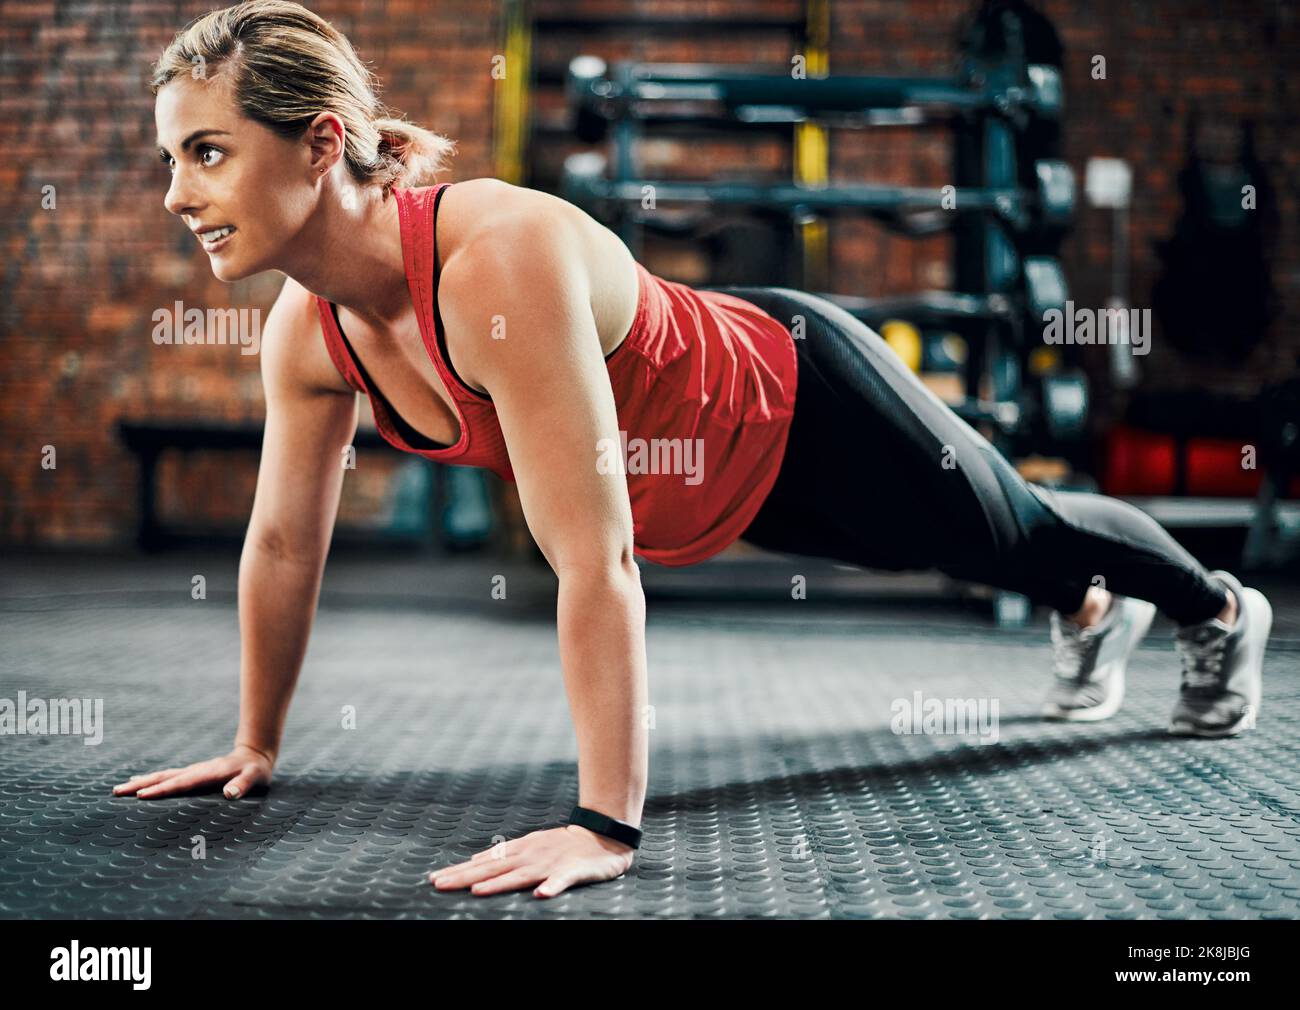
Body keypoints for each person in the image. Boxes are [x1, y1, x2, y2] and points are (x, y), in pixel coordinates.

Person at [113, 1, 1273, 900]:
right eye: (172, 159)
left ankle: (1217, 610)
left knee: (1014, 527)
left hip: (802, 395)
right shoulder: (308, 335)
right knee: (968, 552)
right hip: (719, 494)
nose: (177, 193)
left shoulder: (491, 261)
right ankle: (1086, 611)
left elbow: (593, 558)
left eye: (205, 152)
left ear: (320, 143)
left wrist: (604, 822)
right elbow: (275, 543)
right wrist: (254, 740)